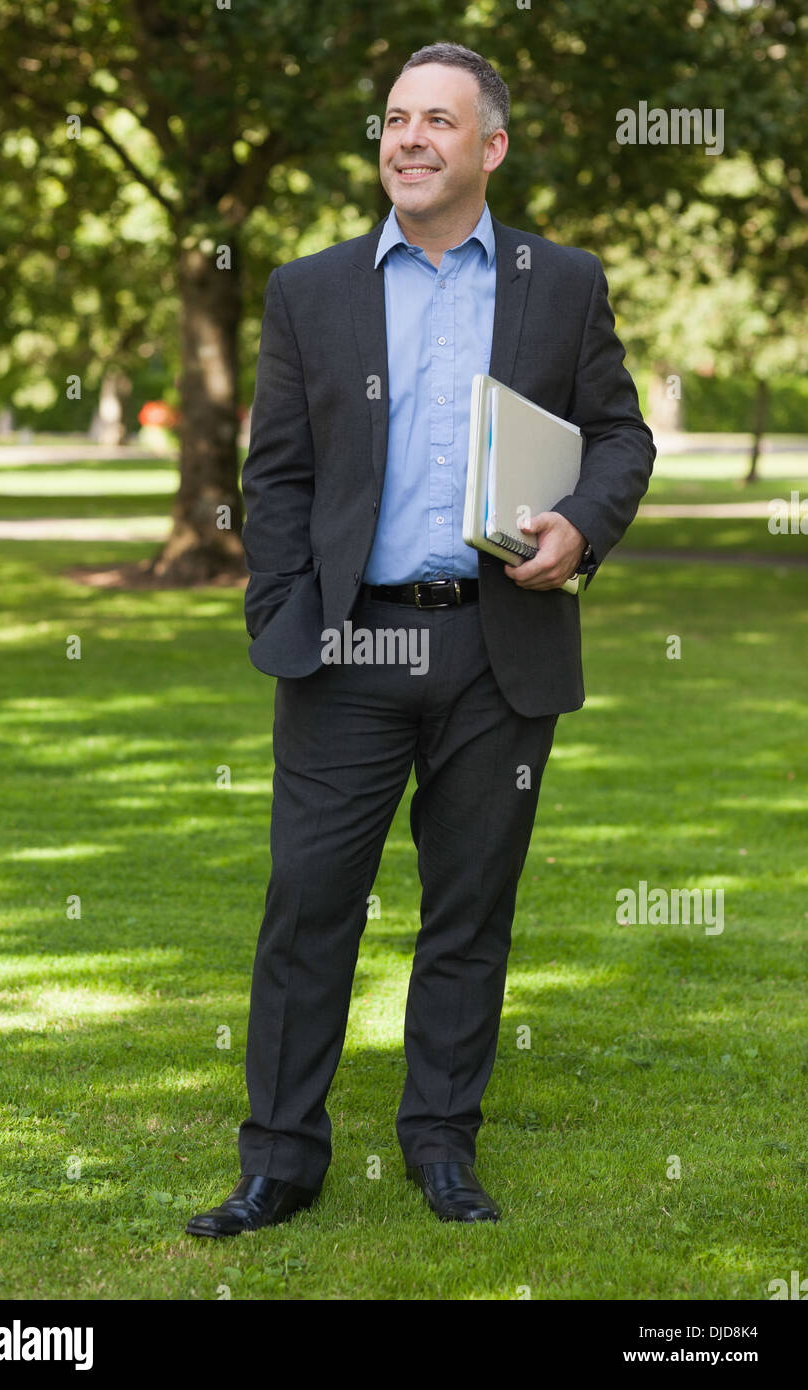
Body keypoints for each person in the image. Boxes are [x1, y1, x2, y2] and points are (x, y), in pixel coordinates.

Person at [186, 41, 655, 1238]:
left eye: (435, 121)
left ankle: (441, 1144)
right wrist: (282, 606)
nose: (406, 139)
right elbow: (276, 474)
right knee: (308, 902)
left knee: (468, 910)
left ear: (488, 147)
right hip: (349, 649)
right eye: (393, 118)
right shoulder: (310, 289)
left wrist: (581, 529)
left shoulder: (561, 282)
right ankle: (279, 1160)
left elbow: (620, 436)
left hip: (498, 651)